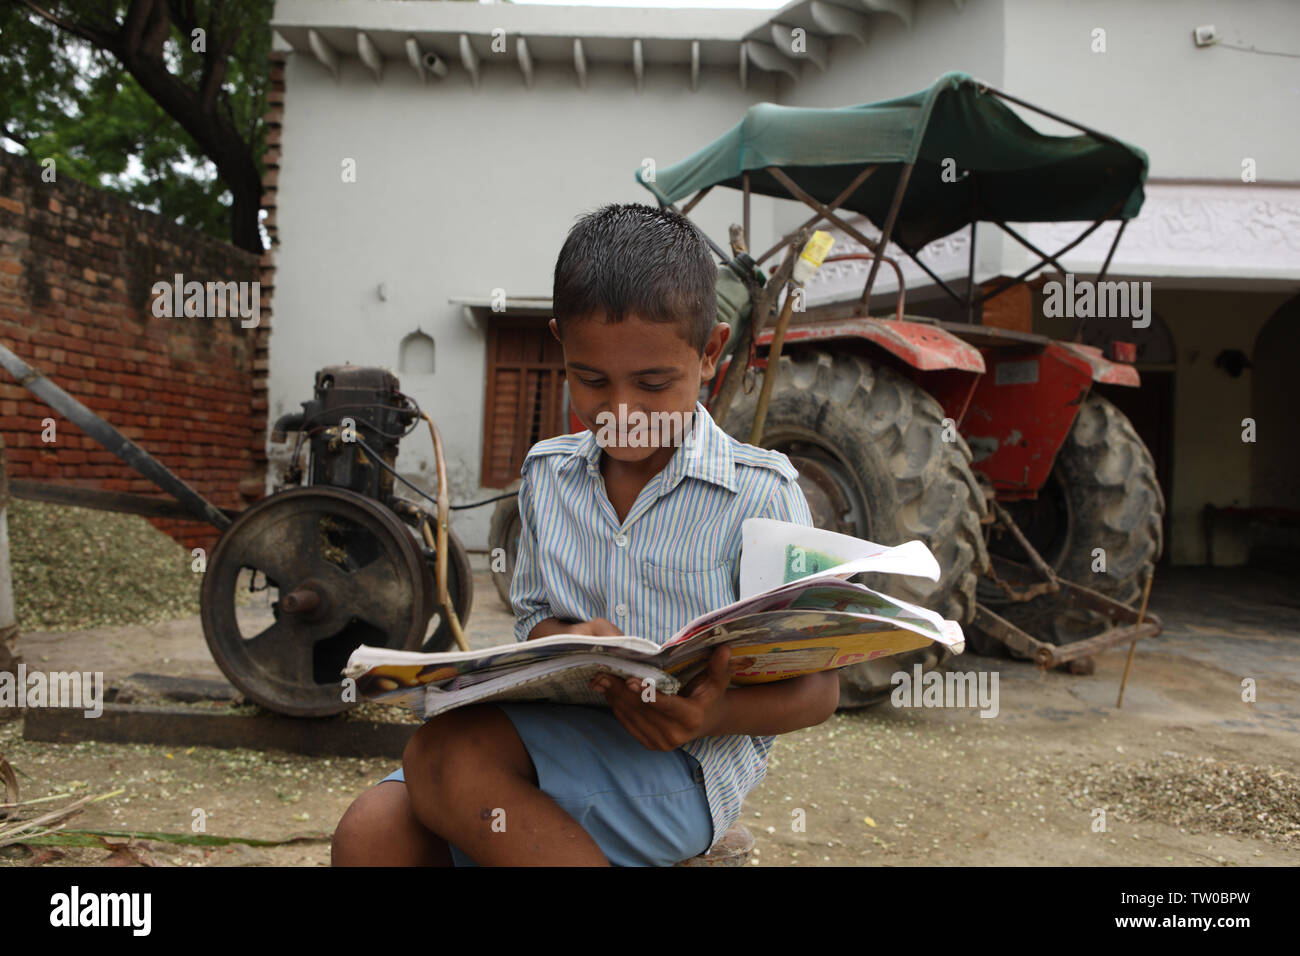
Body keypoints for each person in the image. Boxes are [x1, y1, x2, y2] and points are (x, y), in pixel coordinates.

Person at [332, 203, 840, 866]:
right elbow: (536, 633)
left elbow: (819, 689)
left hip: (679, 769)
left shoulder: (762, 494)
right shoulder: (549, 478)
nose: (622, 412)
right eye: (592, 381)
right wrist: (568, 642)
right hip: (544, 742)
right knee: (371, 831)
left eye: (654, 384)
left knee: (446, 757)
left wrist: (710, 715)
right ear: (560, 348)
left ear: (711, 353)